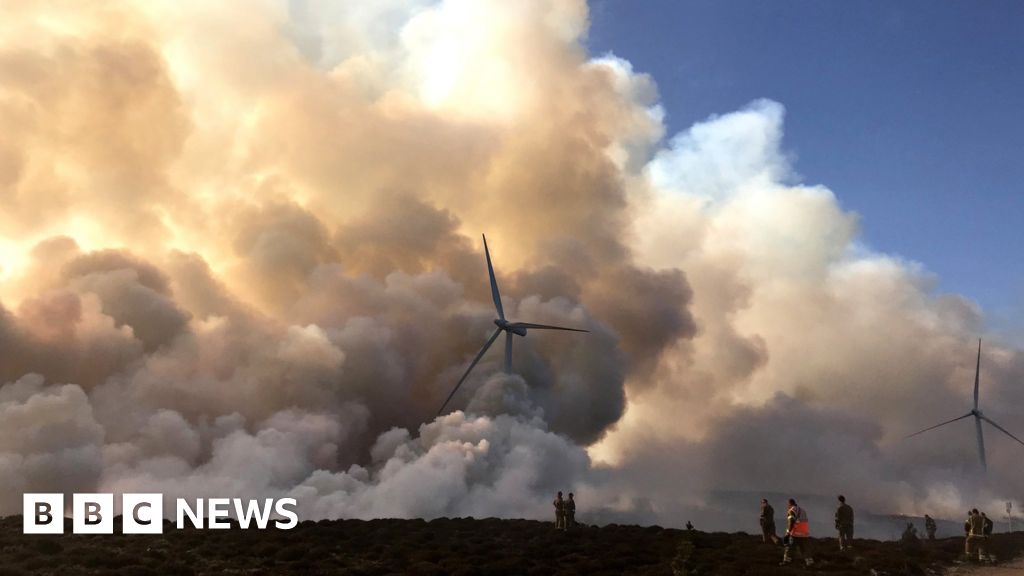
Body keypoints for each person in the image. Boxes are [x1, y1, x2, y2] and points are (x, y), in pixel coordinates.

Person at [781, 498, 813, 566]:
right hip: (804, 533)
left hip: (795, 533)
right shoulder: (803, 510)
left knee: (790, 548)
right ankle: (809, 562)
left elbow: (791, 522)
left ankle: (786, 561)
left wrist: (788, 532)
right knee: (804, 549)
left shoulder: (792, 510)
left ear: (790, 504)